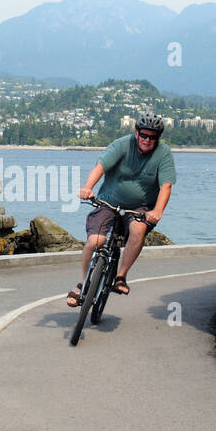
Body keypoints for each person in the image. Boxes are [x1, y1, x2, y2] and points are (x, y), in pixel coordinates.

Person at [66, 112, 176, 306]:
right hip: (109, 201)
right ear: (136, 133)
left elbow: (166, 186)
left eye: (152, 137)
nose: (147, 140)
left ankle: (121, 276)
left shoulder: (163, 153)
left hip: (140, 207)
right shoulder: (122, 144)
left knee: (138, 230)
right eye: (144, 135)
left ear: (158, 138)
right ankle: (81, 284)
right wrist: (87, 187)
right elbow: (100, 166)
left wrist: (157, 211)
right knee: (95, 241)